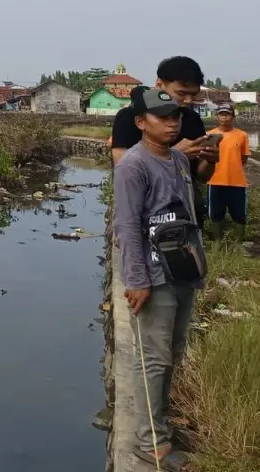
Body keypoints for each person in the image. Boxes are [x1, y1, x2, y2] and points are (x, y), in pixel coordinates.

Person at [114, 87, 207, 471]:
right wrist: (136, 280)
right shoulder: (133, 166)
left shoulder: (179, 161)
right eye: (163, 117)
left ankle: (161, 424)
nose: (173, 123)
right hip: (153, 276)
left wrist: (199, 266)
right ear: (141, 123)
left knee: (174, 352)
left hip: (183, 271)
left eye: (176, 117)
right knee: (152, 359)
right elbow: (128, 226)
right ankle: (149, 443)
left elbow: (189, 216)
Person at [111, 56, 218, 216]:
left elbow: (202, 176)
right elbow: (123, 168)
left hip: (182, 211)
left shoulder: (192, 119)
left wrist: (210, 160)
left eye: (193, 95)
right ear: (159, 84)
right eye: (181, 93)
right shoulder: (129, 117)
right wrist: (175, 154)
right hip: (140, 209)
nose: (188, 101)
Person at [206, 104, 251, 242]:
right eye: (221, 114)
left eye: (227, 114)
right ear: (216, 116)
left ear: (233, 117)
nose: (224, 117)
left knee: (239, 215)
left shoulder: (242, 135)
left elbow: (244, 157)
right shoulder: (209, 135)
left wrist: (233, 167)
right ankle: (217, 244)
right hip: (215, 181)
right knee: (215, 214)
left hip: (237, 182)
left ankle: (238, 245)